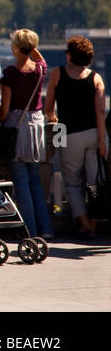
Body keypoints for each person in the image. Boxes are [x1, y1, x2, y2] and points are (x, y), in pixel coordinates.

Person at [45, 35, 108, 238]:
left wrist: (54, 119)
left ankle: (82, 221)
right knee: (93, 181)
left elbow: (49, 109)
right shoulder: (96, 78)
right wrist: (102, 141)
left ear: (70, 55)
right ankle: (94, 223)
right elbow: (100, 112)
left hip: (65, 132)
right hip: (92, 132)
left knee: (70, 181)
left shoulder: (57, 74)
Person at [0, 30, 52, 238]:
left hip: (18, 126)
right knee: (35, 179)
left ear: (16, 48)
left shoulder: (10, 73)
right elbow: (41, 59)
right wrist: (29, 45)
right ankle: (46, 228)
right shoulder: (39, 69)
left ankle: (29, 230)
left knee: (20, 180)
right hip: (36, 123)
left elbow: (5, 109)